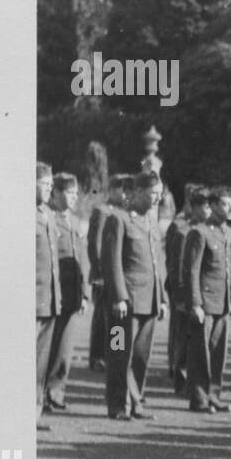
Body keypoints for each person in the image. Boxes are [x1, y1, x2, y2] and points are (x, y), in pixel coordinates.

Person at [102, 170, 167, 420]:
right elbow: (112, 261)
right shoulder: (119, 220)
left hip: (148, 302)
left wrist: (161, 299)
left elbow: (156, 264)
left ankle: (136, 402)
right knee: (119, 355)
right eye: (153, 194)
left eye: (160, 195)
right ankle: (118, 406)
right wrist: (119, 296)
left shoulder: (150, 223)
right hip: (125, 305)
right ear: (138, 192)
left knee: (140, 357)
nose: (157, 199)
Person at [182, 186, 231, 413]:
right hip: (205, 302)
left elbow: (229, 270)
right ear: (212, 206)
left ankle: (213, 394)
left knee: (218, 353)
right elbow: (192, 270)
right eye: (225, 204)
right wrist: (195, 303)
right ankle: (199, 398)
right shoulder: (200, 232)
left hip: (222, 302)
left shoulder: (228, 233)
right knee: (200, 354)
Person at [43, 172, 89, 412]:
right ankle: (42, 395)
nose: (74, 198)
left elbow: (82, 257)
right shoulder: (47, 217)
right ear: (57, 193)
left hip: (72, 295)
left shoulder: (75, 221)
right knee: (47, 349)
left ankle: (56, 392)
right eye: (69, 193)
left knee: (65, 351)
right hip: (53, 294)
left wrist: (85, 293)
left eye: (76, 193)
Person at [164, 184, 207, 394]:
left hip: (201, 293)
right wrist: (180, 294)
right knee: (182, 335)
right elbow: (177, 264)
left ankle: (195, 380)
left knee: (195, 338)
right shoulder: (181, 229)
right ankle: (180, 379)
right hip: (183, 292)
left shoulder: (206, 230)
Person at [87, 173, 129, 370]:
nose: (125, 194)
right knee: (102, 319)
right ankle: (98, 357)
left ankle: (115, 353)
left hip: (118, 276)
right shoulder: (102, 211)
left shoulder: (124, 213)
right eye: (122, 189)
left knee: (117, 321)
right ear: (112, 190)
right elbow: (94, 245)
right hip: (104, 276)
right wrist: (99, 273)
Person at [35, 163, 62, 431]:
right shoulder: (24, 215)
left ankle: (36, 412)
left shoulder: (49, 215)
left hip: (52, 300)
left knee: (43, 362)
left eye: (50, 185)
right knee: (117, 345)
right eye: (45, 184)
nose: (49, 190)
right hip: (32, 301)